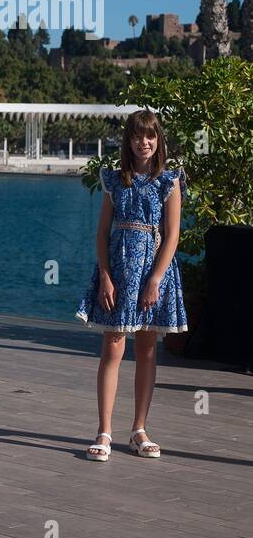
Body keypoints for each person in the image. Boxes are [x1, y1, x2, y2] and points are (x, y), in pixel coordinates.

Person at [76, 110, 186, 461]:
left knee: (147, 349)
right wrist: (105, 275)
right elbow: (101, 234)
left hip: (154, 272)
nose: (144, 142)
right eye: (138, 136)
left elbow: (172, 236)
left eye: (150, 136)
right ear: (129, 141)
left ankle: (139, 429)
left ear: (158, 141)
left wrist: (155, 278)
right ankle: (104, 431)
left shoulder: (169, 182)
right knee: (112, 348)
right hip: (120, 271)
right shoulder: (114, 180)